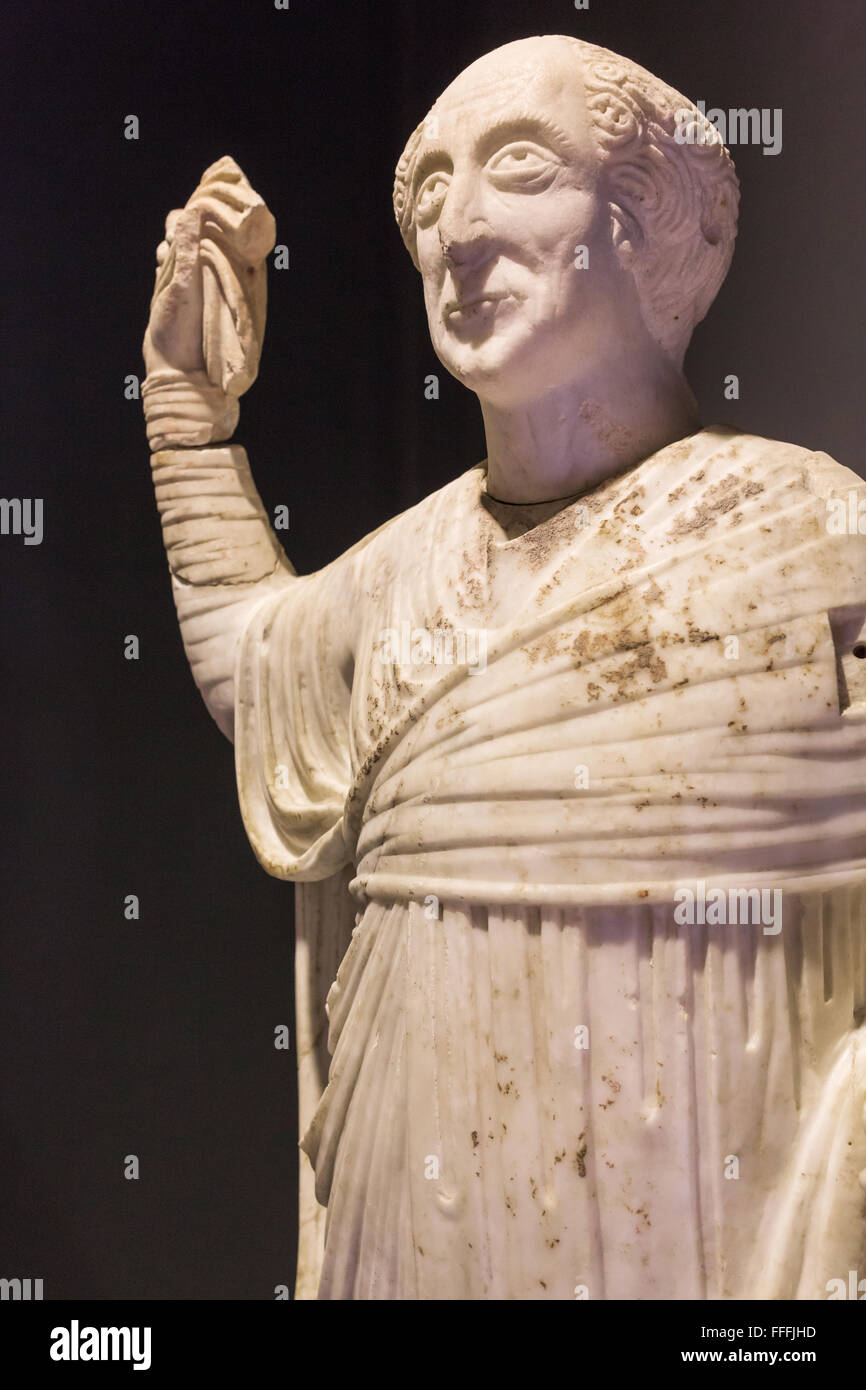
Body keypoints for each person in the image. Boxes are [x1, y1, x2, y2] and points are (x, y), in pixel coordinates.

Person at [142, 36, 866, 1299]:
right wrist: (184, 409)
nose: (455, 229)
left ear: (647, 225)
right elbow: (259, 671)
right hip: (411, 1189)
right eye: (426, 196)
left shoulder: (807, 537)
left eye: (517, 169)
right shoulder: (405, 564)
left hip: (701, 1196)